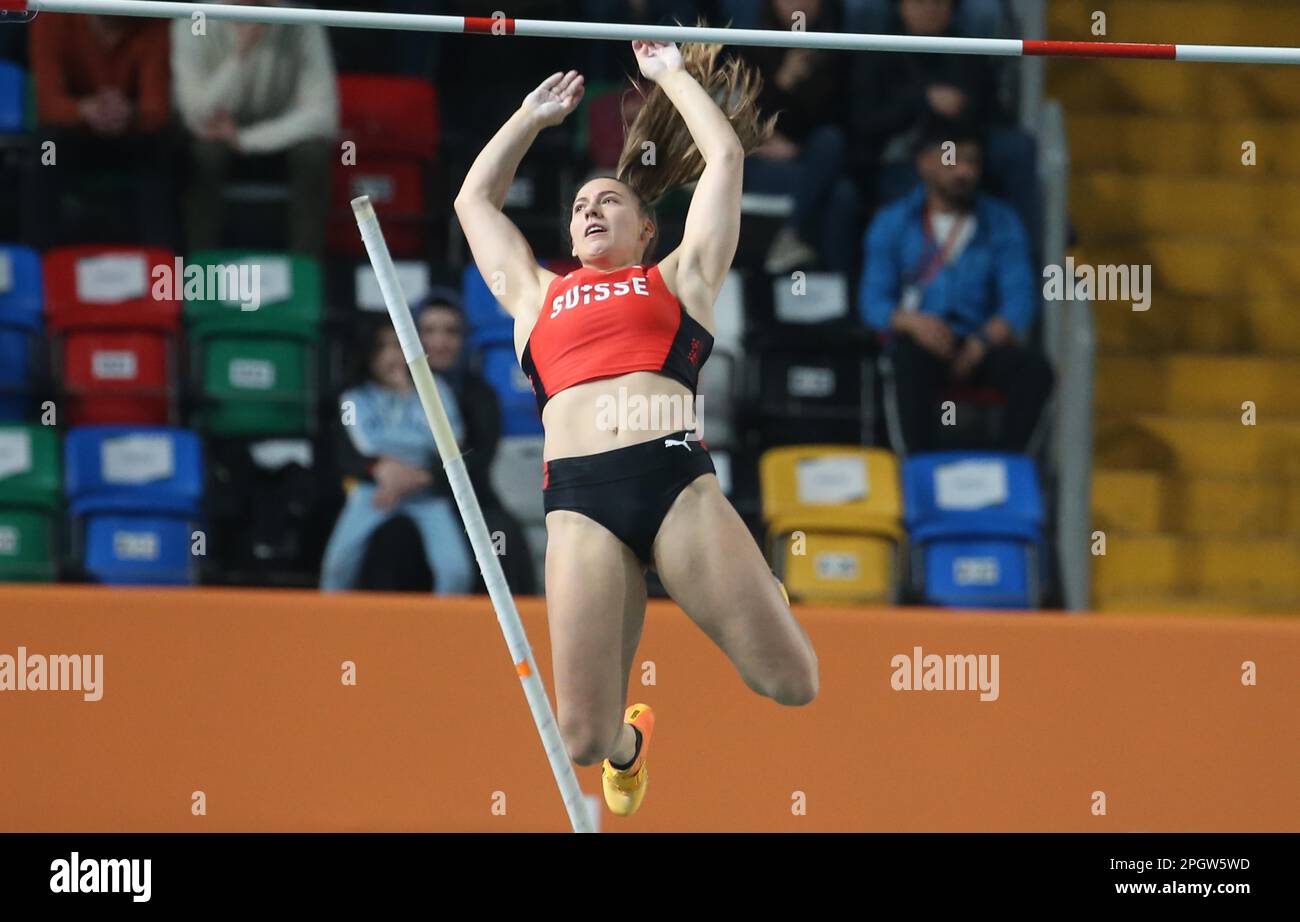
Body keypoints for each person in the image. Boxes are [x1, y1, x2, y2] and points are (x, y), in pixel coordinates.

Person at [453, 43, 819, 817]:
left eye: (608, 202)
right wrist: (529, 118)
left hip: (675, 485)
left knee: (791, 683)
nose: (590, 210)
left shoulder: (678, 279)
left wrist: (672, 77)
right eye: (581, 204)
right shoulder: (536, 299)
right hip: (580, 503)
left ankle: (759, 590)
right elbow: (474, 204)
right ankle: (633, 745)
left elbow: (721, 157)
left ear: (648, 228)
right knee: (583, 740)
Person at [860, 115, 1053, 453]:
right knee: (905, 362)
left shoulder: (1002, 221)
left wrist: (982, 342)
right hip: (920, 342)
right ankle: (919, 467)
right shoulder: (893, 222)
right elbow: (872, 301)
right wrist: (913, 323)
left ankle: (1006, 467)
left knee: (1035, 371)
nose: (963, 171)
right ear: (924, 163)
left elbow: (1019, 299)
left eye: (972, 161)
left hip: (979, 343)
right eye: (952, 159)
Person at [320, 316, 475, 594]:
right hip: (374, 493)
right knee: (336, 567)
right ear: (367, 354)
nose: (391, 356)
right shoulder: (354, 398)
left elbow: (451, 441)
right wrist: (388, 471)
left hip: (427, 495)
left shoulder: (435, 389)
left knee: (456, 571)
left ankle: (444, 635)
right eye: (381, 348)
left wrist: (409, 392)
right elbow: (365, 444)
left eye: (398, 346)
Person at [170, 0, 337, 254]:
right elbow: (196, 115)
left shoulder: (302, 22)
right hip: (216, 137)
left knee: (313, 153)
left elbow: (324, 116)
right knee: (203, 154)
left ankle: (306, 274)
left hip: (280, 136)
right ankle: (202, 272)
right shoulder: (193, 20)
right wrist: (240, 55)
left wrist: (246, 139)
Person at [29, 13, 177, 246]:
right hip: (74, 132)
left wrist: (128, 113)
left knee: (162, 149)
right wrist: (85, 110)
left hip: (132, 133)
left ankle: (161, 262)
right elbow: (47, 104)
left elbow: (157, 109)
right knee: (45, 150)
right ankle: (41, 262)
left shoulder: (154, 20)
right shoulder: (52, 14)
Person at [738, 0, 859, 273]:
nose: (799, 4)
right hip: (764, 160)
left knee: (838, 173)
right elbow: (743, 118)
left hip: (814, 156)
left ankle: (797, 243)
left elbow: (843, 120)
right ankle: (821, 285)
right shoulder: (751, 46)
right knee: (840, 193)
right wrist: (784, 81)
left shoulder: (838, 48)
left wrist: (801, 148)